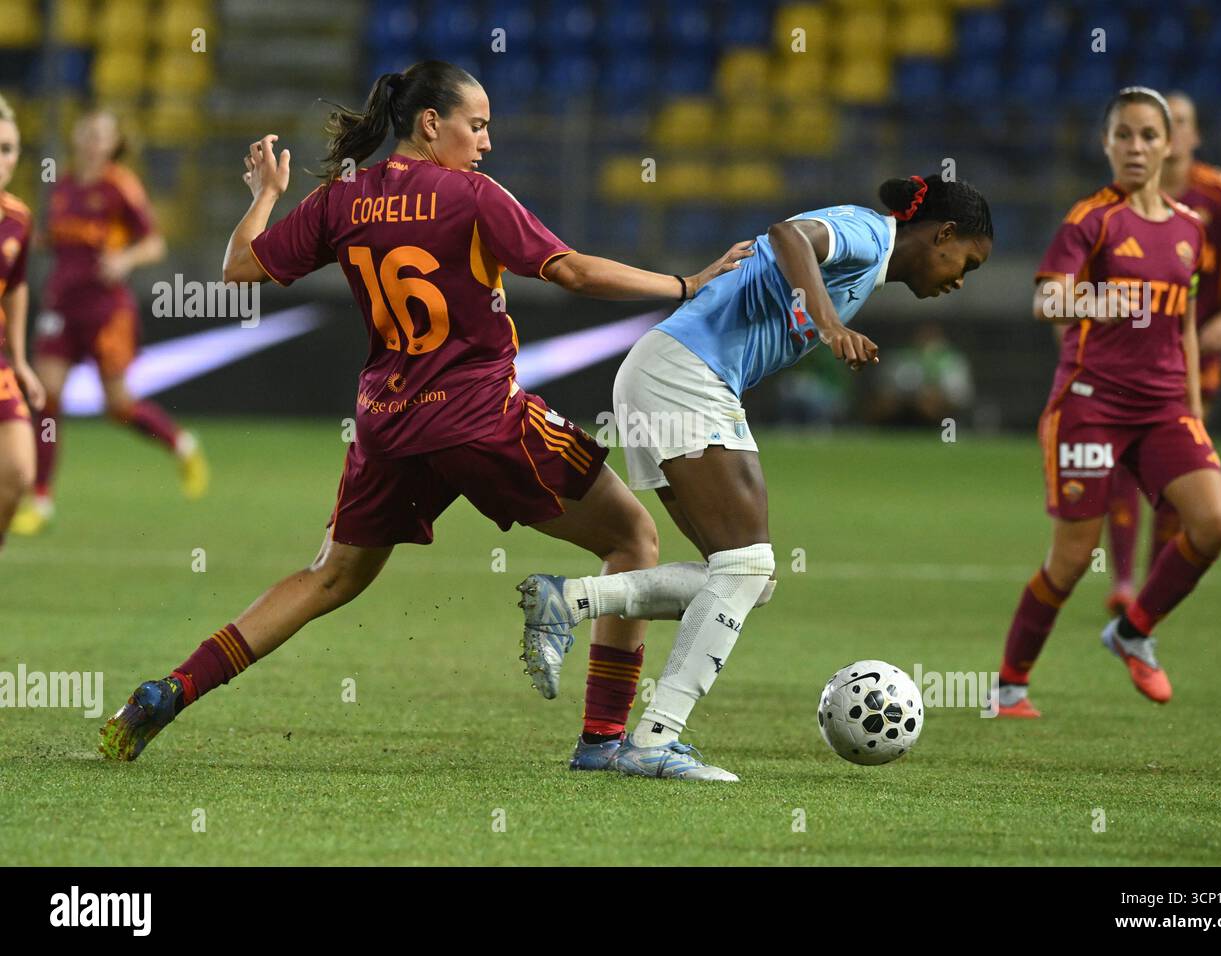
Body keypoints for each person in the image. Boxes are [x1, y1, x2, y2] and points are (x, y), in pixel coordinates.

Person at [99, 60, 750, 761]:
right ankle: (604, 739)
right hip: (479, 418)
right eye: (477, 125)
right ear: (431, 123)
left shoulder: (343, 198)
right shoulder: (472, 195)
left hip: (388, 425)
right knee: (632, 541)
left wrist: (264, 195)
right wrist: (685, 282)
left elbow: (239, 269)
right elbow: (569, 270)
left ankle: (169, 690)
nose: (487, 142)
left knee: (329, 576)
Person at [521, 174, 993, 780]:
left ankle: (573, 601)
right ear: (943, 234)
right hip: (686, 376)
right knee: (747, 567)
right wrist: (828, 324)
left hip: (661, 372)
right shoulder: (871, 233)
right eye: (967, 263)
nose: (959, 280)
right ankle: (654, 737)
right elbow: (788, 235)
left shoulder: (868, 259)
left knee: (747, 578)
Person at [994, 87, 1221, 718]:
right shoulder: (1091, 218)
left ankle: (1133, 630)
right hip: (1090, 404)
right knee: (1072, 559)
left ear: (1170, 144)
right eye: (1123, 135)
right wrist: (1104, 302)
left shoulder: (1189, 229)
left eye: (1148, 135)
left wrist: (1193, 406)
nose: (1135, 146)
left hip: (1163, 409)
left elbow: (1181, 322)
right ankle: (1010, 684)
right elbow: (1047, 300)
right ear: (1106, 143)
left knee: (1214, 522)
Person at [1101, 90, 1221, 614]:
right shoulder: (1116, 201)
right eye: (1135, 132)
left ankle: (1153, 584)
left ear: (1187, 137)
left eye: (1172, 126)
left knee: (1176, 474)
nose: (1150, 141)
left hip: (1191, 348)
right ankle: (1122, 585)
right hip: (1131, 354)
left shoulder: (1218, 194)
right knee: (1125, 465)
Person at [11, 110, 207, 536]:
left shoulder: (121, 186)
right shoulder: (61, 186)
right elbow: (54, 238)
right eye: (87, 131)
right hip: (61, 306)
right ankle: (40, 499)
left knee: (117, 407)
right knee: (46, 399)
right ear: (76, 136)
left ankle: (181, 444)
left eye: (101, 135)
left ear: (114, 143)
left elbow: (154, 242)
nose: (92, 140)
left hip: (106, 310)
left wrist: (125, 260)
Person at [0, 94, 43, 550]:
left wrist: (20, 360)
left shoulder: (17, 218)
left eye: (8, 149)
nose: (2, 160)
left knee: (17, 471)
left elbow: (15, 286)